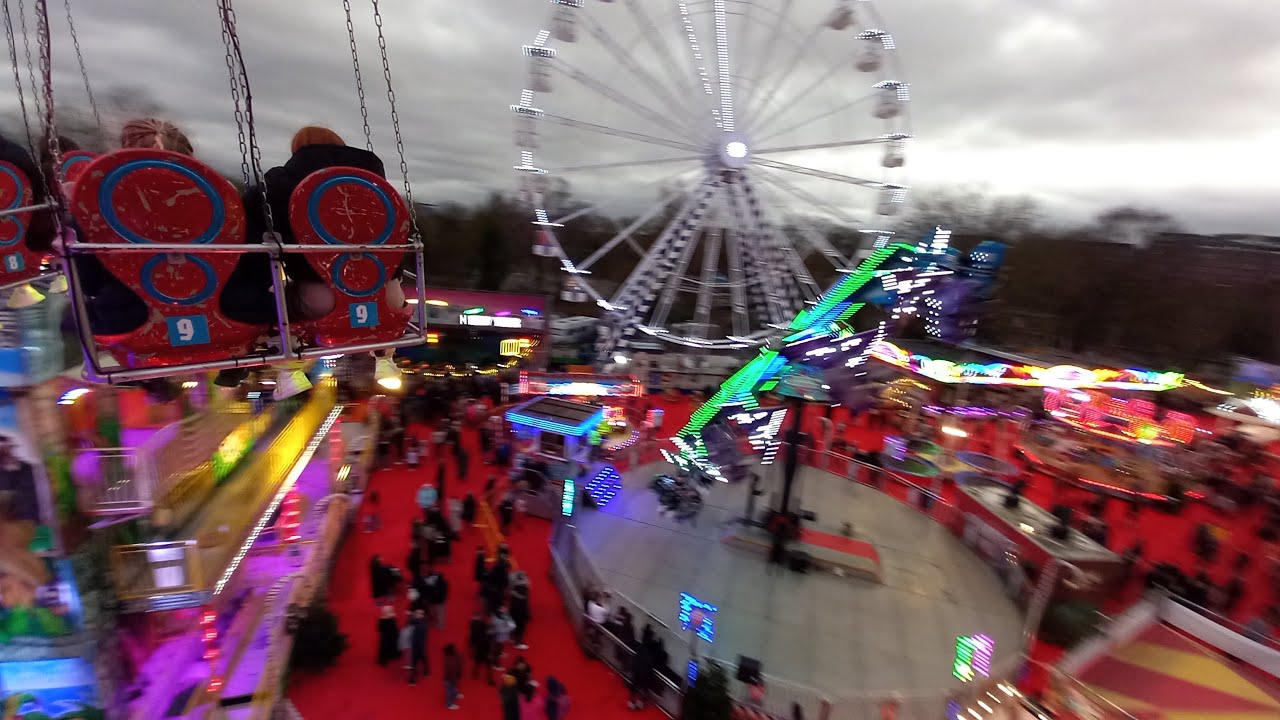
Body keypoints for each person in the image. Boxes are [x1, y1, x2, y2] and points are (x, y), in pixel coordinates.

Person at [222, 125, 404, 325]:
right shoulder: (378, 186)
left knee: (274, 294)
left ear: (298, 152)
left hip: (322, 297)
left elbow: (252, 214)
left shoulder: (280, 183)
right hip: (389, 294)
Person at [469, 609, 494, 684]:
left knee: (477, 663)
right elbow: (489, 640)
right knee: (488, 666)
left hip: (479, 649)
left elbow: (472, 638)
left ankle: (475, 675)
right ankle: (490, 680)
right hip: (485, 649)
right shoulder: (484, 628)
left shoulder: (473, 624)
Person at [407, 608, 429, 684]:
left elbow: (419, 635)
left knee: (421, 660)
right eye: (416, 613)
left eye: (419, 613)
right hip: (415, 646)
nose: (417, 614)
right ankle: (413, 678)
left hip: (419, 646)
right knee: (416, 662)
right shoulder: (416, 621)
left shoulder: (423, 625)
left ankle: (426, 671)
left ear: (422, 615)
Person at [510, 574, 531, 651]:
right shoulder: (523, 595)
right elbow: (524, 608)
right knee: (520, 630)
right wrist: (527, 616)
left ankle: (512, 638)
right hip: (520, 617)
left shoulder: (513, 591)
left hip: (513, 614)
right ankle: (518, 643)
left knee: (514, 627)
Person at [443, 643, 463, 710]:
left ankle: (455, 694)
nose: (456, 649)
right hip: (450, 678)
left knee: (454, 687)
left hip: (454, 677)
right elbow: (449, 672)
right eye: (454, 648)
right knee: (449, 691)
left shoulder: (453, 656)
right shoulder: (450, 661)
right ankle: (449, 704)